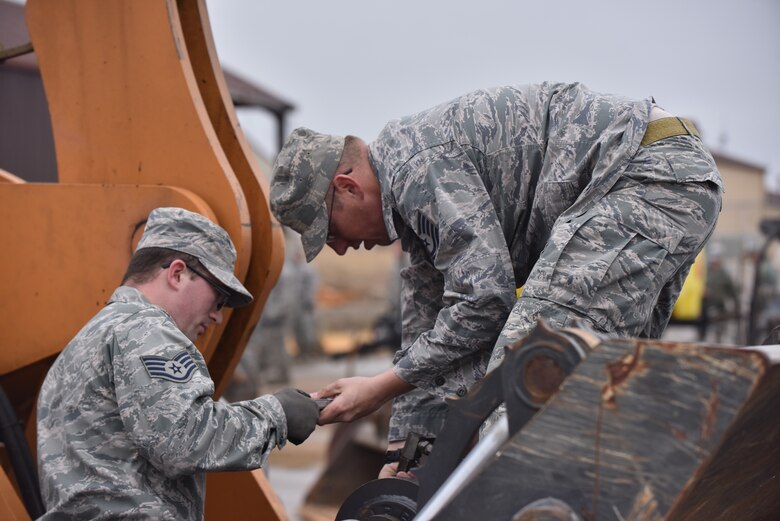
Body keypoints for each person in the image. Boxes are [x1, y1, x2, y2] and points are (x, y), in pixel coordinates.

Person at [270, 82, 723, 477]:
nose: (340, 249)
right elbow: (429, 329)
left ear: (348, 188)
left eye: (331, 232)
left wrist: (379, 387)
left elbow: (485, 301)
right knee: (598, 394)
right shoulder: (414, 206)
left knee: (520, 387)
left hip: (644, 177)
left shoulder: (414, 167)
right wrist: (404, 457)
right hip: (658, 180)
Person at [36, 207, 320, 520]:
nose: (217, 316)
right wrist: (277, 414)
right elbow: (183, 440)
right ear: (177, 274)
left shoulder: (94, 335)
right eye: (218, 298)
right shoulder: (145, 330)